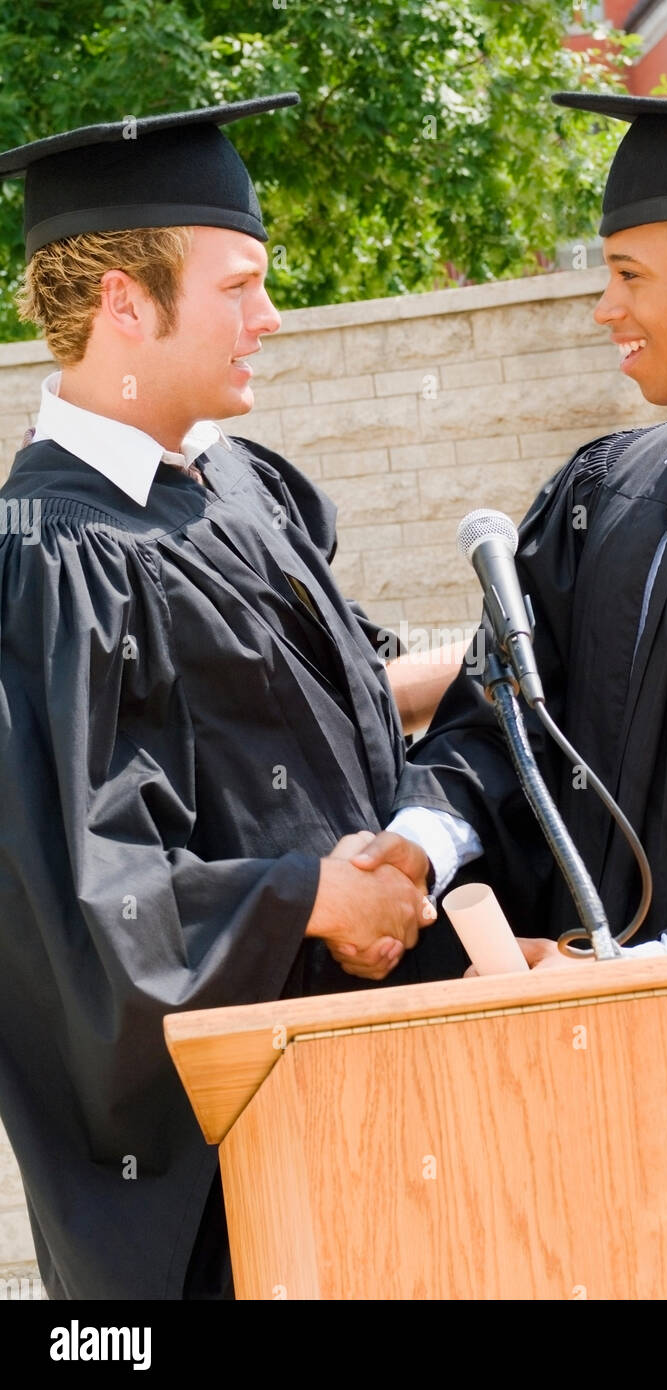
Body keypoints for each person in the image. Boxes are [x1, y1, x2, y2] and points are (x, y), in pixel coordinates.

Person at [0, 93, 455, 1300]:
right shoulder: (49, 559)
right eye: (239, 285)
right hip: (227, 1186)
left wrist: (480, 676)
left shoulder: (240, 487)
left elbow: (338, 702)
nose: (270, 316)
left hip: (359, 1115)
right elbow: (81, 897)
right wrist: (310, 896)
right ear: (125, 304)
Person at [352, 95, 667, 970]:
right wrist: (419, 841)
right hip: (567, 1042)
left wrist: (634, 973)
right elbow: (499, 716)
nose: (602, 308)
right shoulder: (605, 487)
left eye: (629, 275)